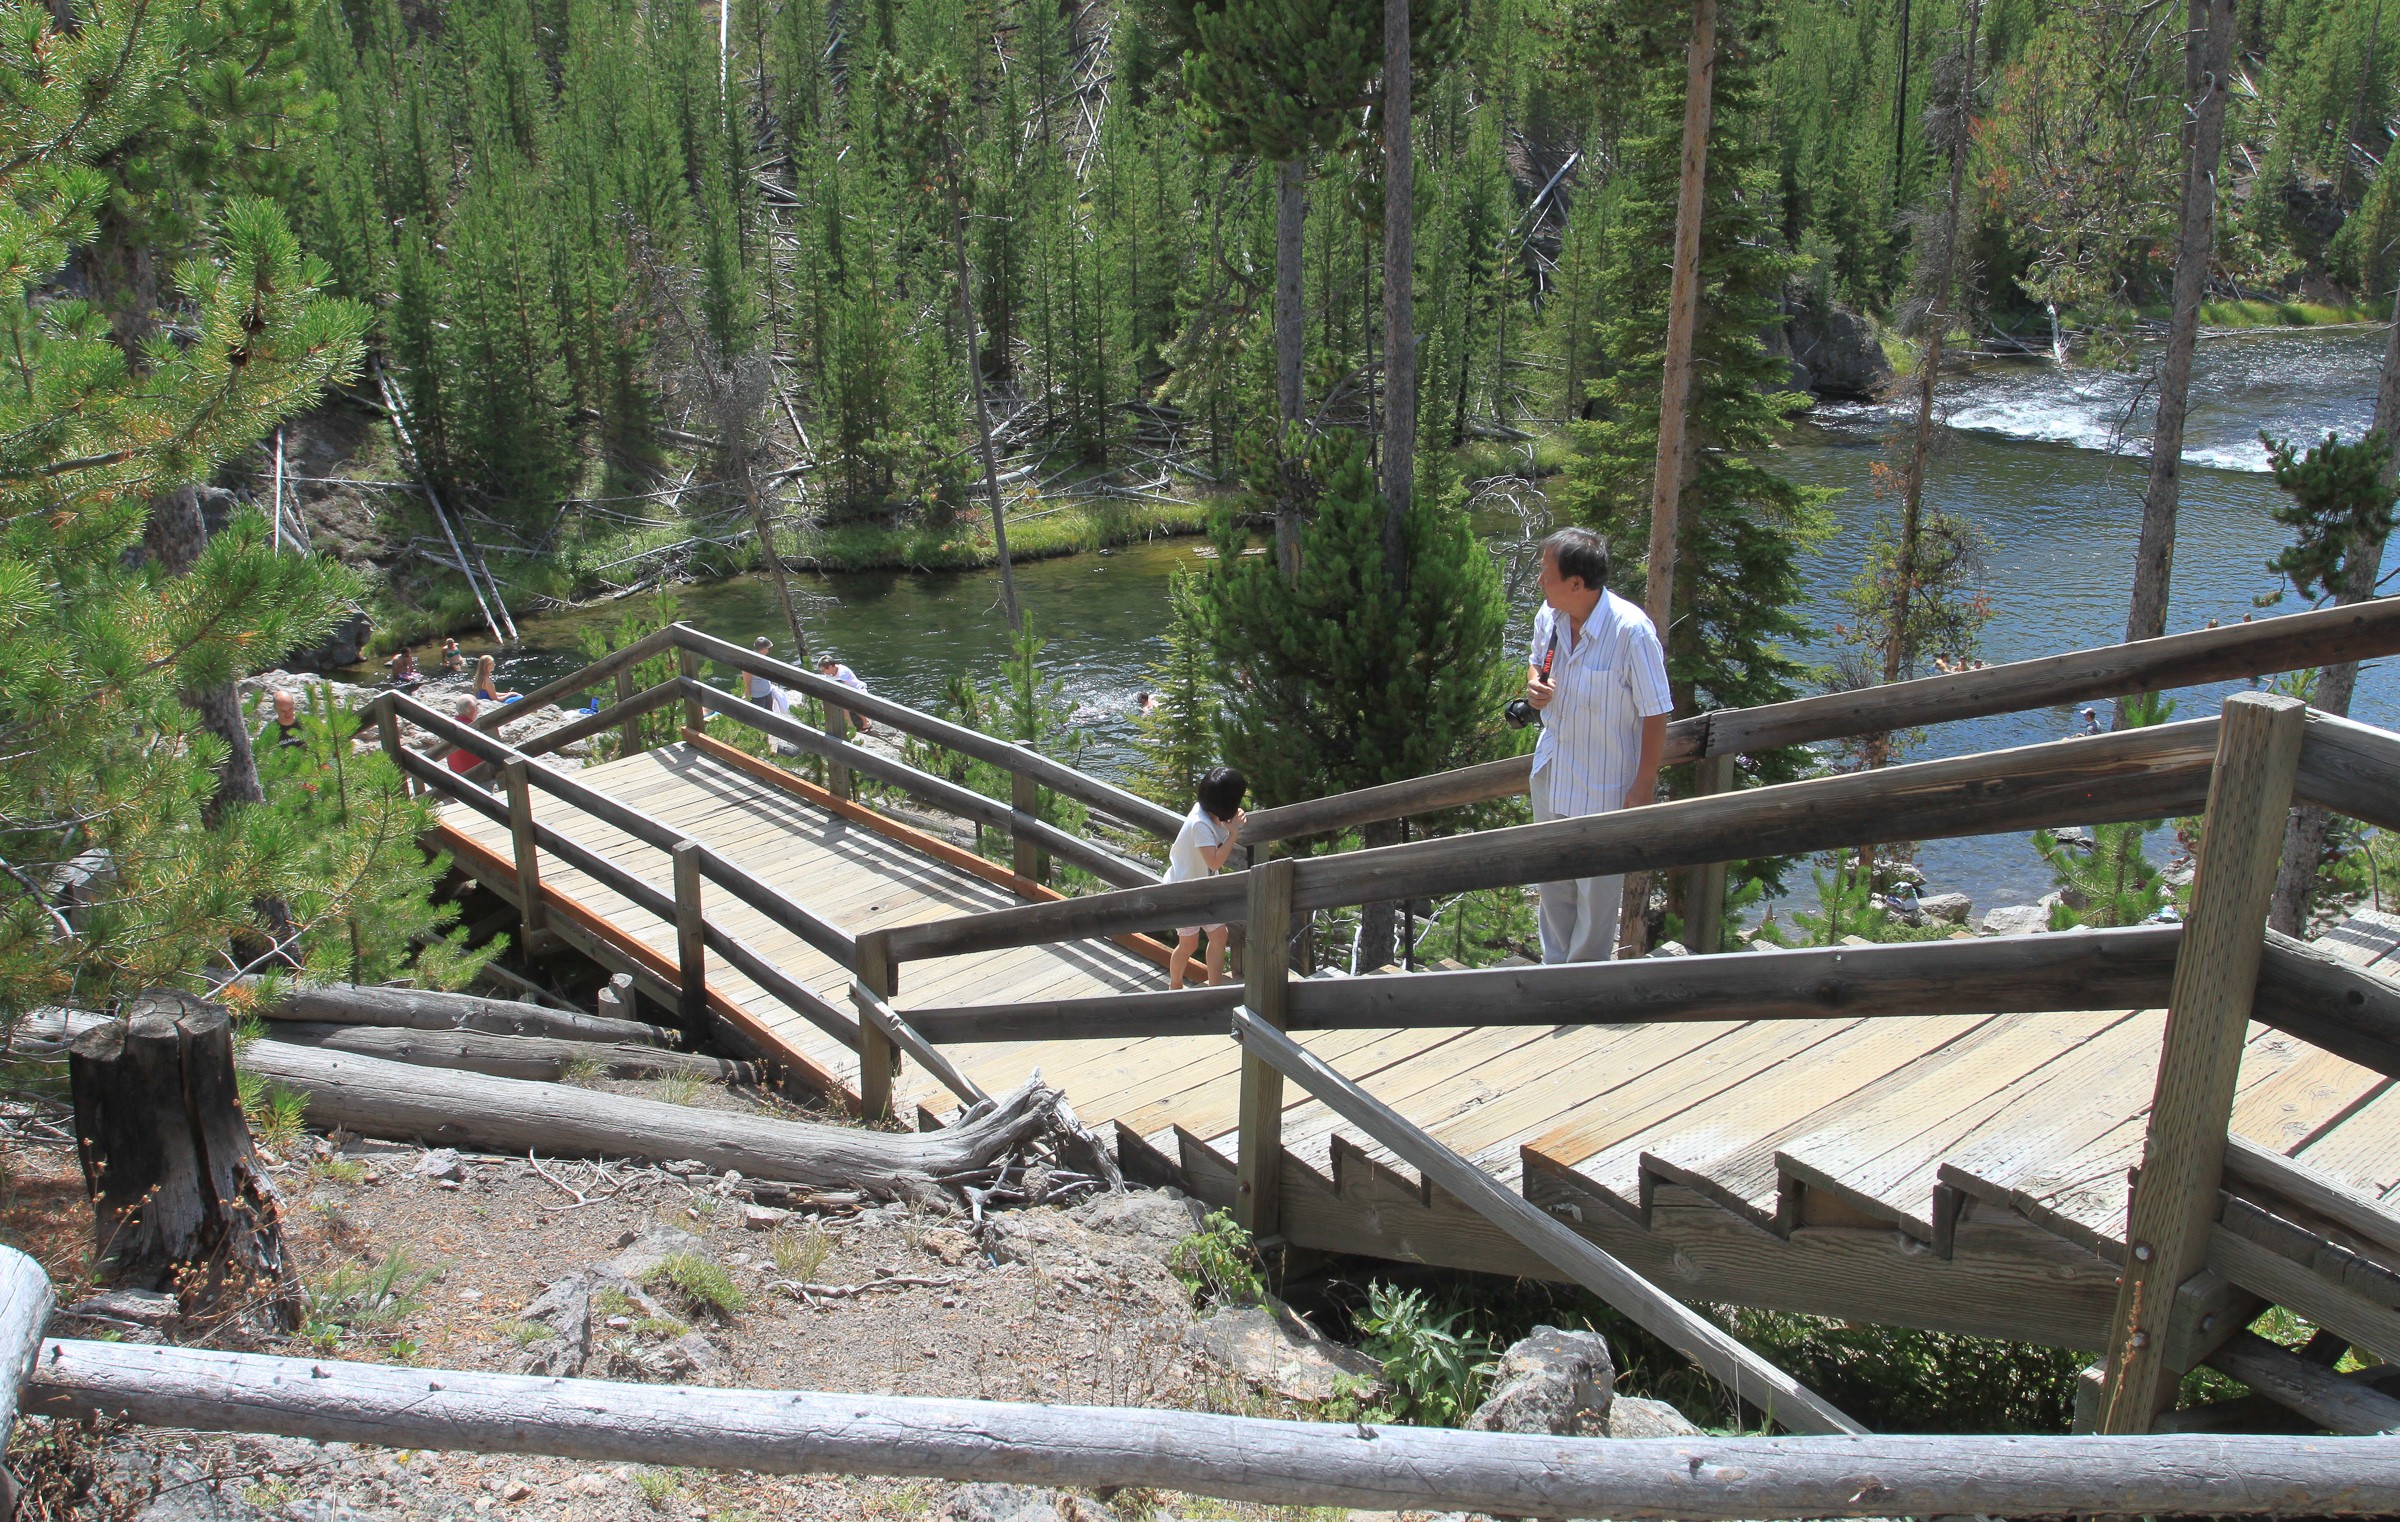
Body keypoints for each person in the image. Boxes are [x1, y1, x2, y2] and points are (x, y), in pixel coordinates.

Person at [1523, 526, 1671, 964]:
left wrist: (1643, 787)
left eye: (1545, 573)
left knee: (1596, 897)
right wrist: (1536, 688)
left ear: (1576, 583)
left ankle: (1583, 984)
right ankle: (1555, 974)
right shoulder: (1549, 617)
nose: (1538, 581)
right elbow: (1534, 665)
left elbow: (1656, 712)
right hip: (1553, 771)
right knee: (1551, 882)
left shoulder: (1631, 632)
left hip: (1604, 783)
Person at [1165, 766, 1248, 990]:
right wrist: (1233, 834)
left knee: (1220, 936)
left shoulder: (1212, 813)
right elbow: (1214, 861)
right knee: (1188, 943)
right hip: (1185, 891)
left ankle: (1214, 986)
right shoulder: (1200, 824)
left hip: (1205, 888)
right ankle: (1175, 986)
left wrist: (1234, 817)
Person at [818, 655, 872, 732]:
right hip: (846, 692)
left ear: (830, 667)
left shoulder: (842, 672)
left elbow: (840, 688)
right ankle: (850, 725)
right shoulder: (828, 674)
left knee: (845, 704)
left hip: (858, 689)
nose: (822, 672)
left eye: (823, 670)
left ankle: (865, 723)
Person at [445, 698, 484, 776]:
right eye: (476, 706)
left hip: (456, 771)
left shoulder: (449, 726)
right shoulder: (475, 729)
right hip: (476, 773)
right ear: (473, 710)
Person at [746, 637, 781, 708]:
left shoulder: (764, 659)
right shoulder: (750, 662)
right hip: (757, 696)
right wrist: (748, 697)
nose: (769, 651)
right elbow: (746, 682)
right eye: (768, 649)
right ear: (762, 649)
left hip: (768, 692)